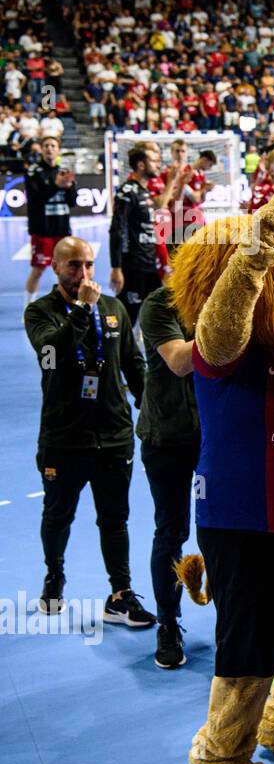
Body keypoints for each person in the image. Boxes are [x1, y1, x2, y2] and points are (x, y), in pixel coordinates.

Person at [24, 236, 154, 626]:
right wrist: (82, 307)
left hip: (113, 434)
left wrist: (149, 412)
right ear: (56, 268)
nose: (83, 274)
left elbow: (134, 365)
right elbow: (53, 355)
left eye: (89, 265)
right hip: (64, 436)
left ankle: (120, 594)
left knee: (115, 519)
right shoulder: (41, 313)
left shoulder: (113, 309)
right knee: (58, 514)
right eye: (74, 266)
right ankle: (54, 575)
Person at [137, 283, 200, 669]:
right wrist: (229, 322)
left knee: (225, 532)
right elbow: (179, 360)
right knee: (172, 532)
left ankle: (233, 621)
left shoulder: (230, 296)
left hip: (216, 436)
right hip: (167, 438)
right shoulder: (160, 302)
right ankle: (168, 624)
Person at [109, 143, 163, 327]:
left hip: (149, 265)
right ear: (141, 165)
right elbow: (116, 230)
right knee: (125, 320)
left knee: (157, 314)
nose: (158, 165)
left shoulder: (145, 192)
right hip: (133, 267)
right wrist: (116, 268)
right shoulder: (127, 192)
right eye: (153, 161)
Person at [24, 135, 76, 308]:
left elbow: (72, 202)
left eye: (53, 145)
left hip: (62, 230)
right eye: (46, 145)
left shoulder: (64, 172)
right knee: (38, 270)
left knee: (64, 271)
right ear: (41, 149)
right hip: (42, 231)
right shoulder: (34, 172)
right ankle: (28, 306)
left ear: (58, 150)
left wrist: (69, 187)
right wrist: (56, 185)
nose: (49, 148)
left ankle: (63, 306)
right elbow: (36, 198)